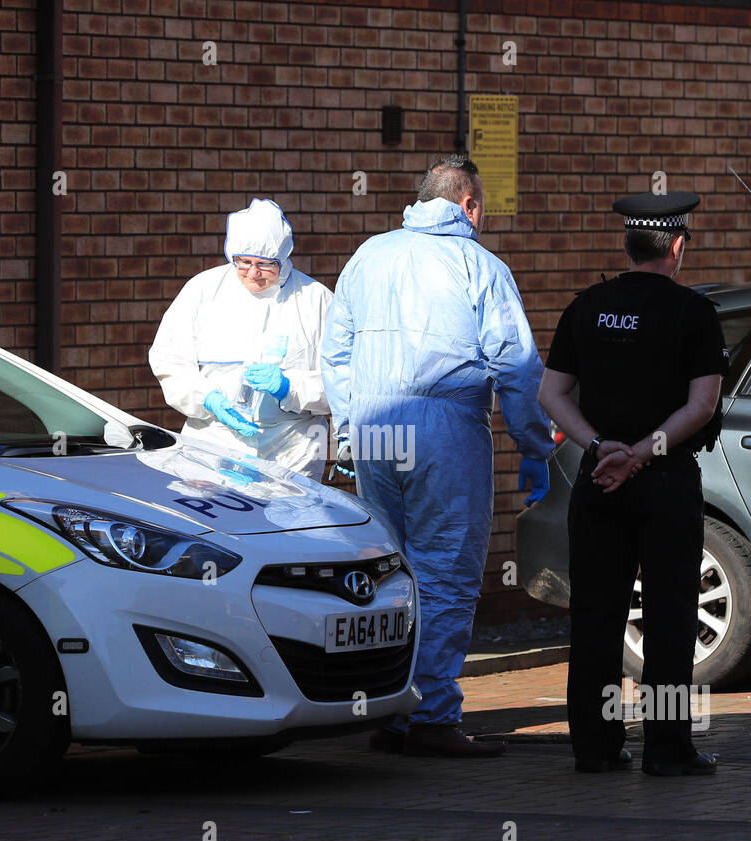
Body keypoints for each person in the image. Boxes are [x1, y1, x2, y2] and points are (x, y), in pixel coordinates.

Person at [322, 155, 554, 758]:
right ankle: (431, 717)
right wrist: (535, 445)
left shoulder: (368, 255)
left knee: (389, 573)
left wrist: (348, 432)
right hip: (444, 428)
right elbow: (517, 367)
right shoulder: (479, 265)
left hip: (375, 427)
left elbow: (336, 354)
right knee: (445, 574)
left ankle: (389, 709)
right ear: (469, 205)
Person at [538, 190, 728, 777]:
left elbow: (550, 394)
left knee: (596, 614)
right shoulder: (692, 313)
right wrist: (644, 454)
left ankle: (594, 747)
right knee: (670, 616)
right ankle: (668, 751)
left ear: (628, 244)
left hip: (598, 480)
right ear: (676, 245)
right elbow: (702, 406)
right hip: (665, 481)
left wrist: (601, 448)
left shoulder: (587, 306)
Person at [150, 198, 333, 480]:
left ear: (283, 259)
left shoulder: (315, 300)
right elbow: (169, 360)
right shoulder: (204, 291)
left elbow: (342, 380)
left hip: (293, 448)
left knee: (289, 523)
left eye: (265, 264)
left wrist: (291, 387)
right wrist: (206, 398)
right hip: (214, 441)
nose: (253, 273)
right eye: (243, 262)